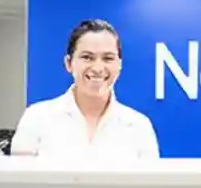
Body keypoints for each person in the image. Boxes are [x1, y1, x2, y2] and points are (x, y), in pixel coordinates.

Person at [11, 18, 159, 159]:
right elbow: (19, 183)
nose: (98, 68)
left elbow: (150, 185)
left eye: (108, 58)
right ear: (69, 63)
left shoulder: (139, 126)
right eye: (87, 57)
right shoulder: (37, 118)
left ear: (119, 65)